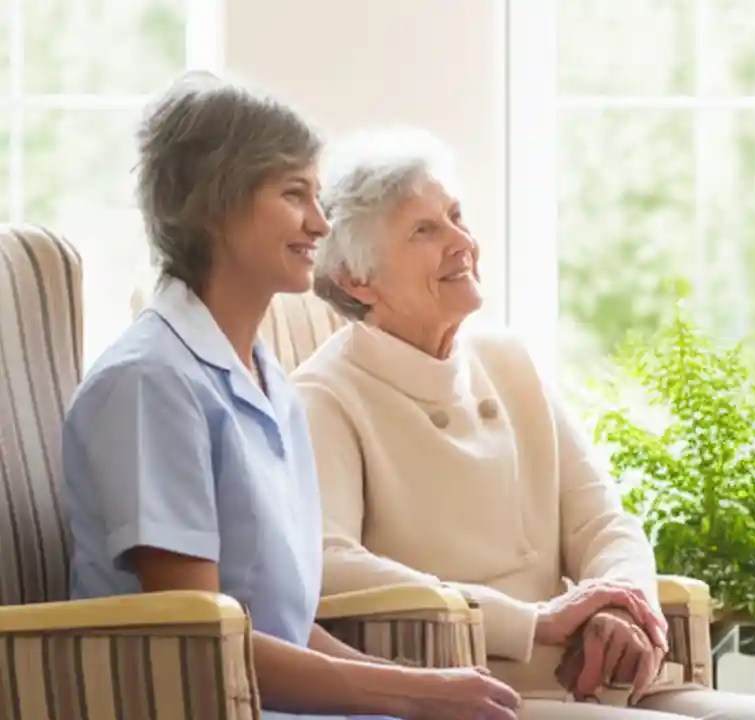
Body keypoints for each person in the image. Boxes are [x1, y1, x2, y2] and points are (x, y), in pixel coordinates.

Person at [293, 126, 755, 720]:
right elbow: (326, 562)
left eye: (456, 216)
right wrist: (530, 622)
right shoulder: (326, 395)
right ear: (358, 278)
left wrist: (619, 604)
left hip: (589, 677)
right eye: (424, 231)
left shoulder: (507, 361)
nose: (461, 241)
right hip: (475, 690)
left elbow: (602, 517)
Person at [62, 74, 522, 720]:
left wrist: (422, 688)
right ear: (214, 208)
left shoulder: (270, 380)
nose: (320, 222)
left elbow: (280, 627)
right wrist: (416, 693)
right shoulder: (149, 383)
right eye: (293, 194)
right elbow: (200, 640)